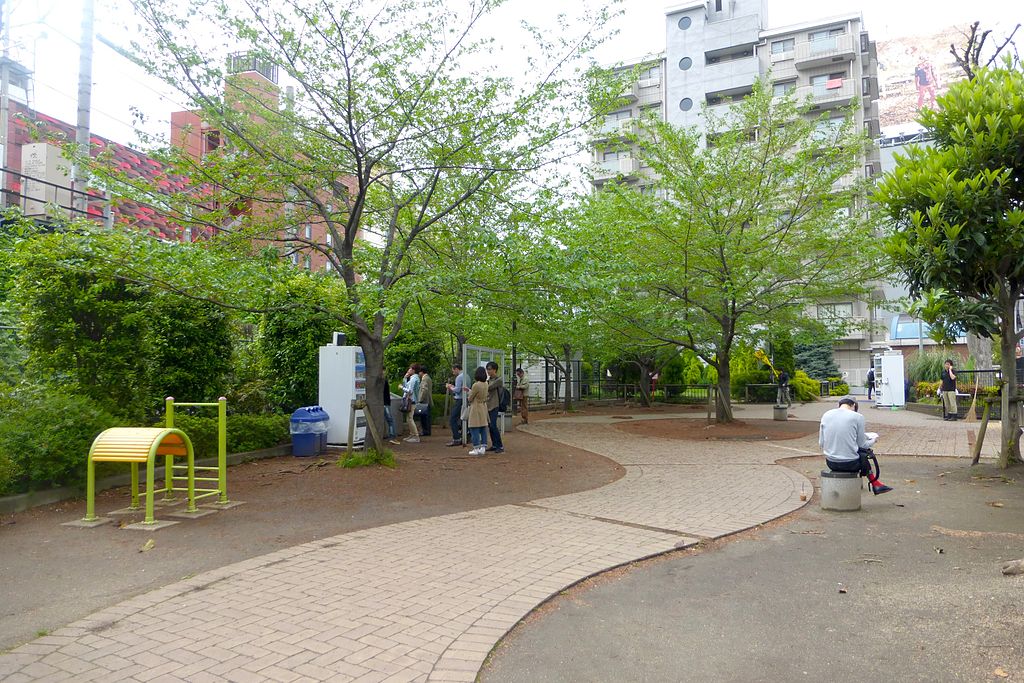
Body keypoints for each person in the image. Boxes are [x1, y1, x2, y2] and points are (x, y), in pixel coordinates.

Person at [819, 397, 892, 495]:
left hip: (831, 462)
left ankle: (876, 484)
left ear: (840, 404)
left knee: (856, 451)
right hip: (850, 464)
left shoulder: (826, 414)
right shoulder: (857, 417)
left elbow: (821, 442)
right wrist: (873, 440)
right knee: (863, 454)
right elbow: (862, 444)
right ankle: (875, 484)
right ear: (853, 405)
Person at [466, 367, 490, 456]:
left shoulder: (476, 385)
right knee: (483, 428)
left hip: (475, 407)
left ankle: (476, 448)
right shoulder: (486, 384)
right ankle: (483, 448)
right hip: (483, 406)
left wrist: (469, 393)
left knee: (474, 427)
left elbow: (470, 398)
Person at [485, 361, 505, 453]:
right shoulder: (488, 380)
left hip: (495, 405)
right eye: (487, 369)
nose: (488, 371)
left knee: (493, 425)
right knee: (490, 426)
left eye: (490, 369)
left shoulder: (498, 380)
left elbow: (488, 387)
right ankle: (494, 445)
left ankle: (500, 446)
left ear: (495, 370)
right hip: (488, 405)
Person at [445, 363, 465, 446]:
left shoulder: (459, 377)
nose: (453, 373)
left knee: (453, 419)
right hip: (464, 399)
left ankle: (456, 438)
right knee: (462, 418)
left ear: (457, 369)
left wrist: (450, 387)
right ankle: (464, 435)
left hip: (459, 400)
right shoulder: (466, 375)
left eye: (453, 371)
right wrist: (454, 387)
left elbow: (457, 390)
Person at [401, 364, 421, 442]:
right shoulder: (414, 378)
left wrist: (402, 388)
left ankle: (416, 436)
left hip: (411, 400)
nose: (408, 370)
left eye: (410, 369)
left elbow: (410, 391)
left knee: (410, 418)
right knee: (408, 418)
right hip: (412, 400)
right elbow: (407, 386)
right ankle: (412, 434)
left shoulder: (414, 379)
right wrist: (405, 378)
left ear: (413, 370)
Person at [383, 374, 399, 445]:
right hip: (386, 403)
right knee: (390, 421)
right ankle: (392, 437)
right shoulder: (384, 381)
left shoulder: (379, 381)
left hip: (381, 403)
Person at [417, 366, 433, 437]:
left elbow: (424, 389)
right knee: (427, 416)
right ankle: (427, 431)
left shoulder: (424, 379)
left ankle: (425, 431)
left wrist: (420, 399)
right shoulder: (428, 378)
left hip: (425, 401)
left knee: (424, 417)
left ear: (421, 372)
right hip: (428, 400)